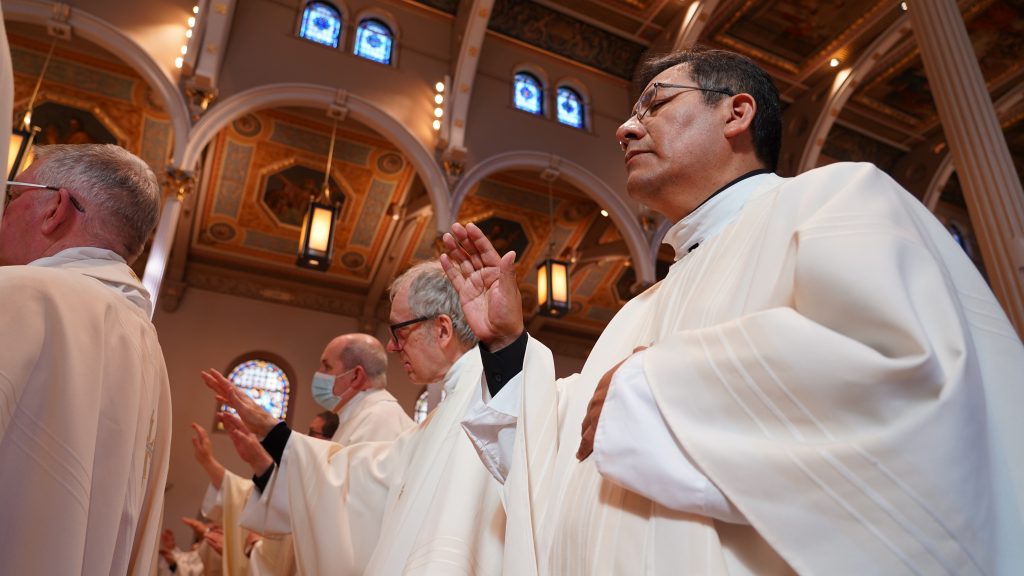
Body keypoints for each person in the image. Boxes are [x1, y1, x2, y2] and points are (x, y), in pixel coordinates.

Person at [441, 46, 1024, 575]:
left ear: (737, 113)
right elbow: (552, 459)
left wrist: (656, 384)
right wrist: (506, 345)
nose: (623, 128)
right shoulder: (641, 307)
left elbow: (902, 372)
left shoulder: (836, 199)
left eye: (655, 106)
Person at [205, 262, 506, 575]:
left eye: (399, 332)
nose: (392, 346)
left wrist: (277, 436)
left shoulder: (484, 400)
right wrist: (274, 434)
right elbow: (357, 480)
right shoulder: (453, 405)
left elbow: (357, 497)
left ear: (442, 330)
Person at [0, 144, 171, 574]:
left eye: (12, 195)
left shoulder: (20, 294)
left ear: (55, 208)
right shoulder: (145, 344)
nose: (4, 211)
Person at [307, 332, 414, 444]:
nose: (319, 373)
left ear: (356, 376)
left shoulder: (377, 419)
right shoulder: (360, 415)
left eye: (327, 367)